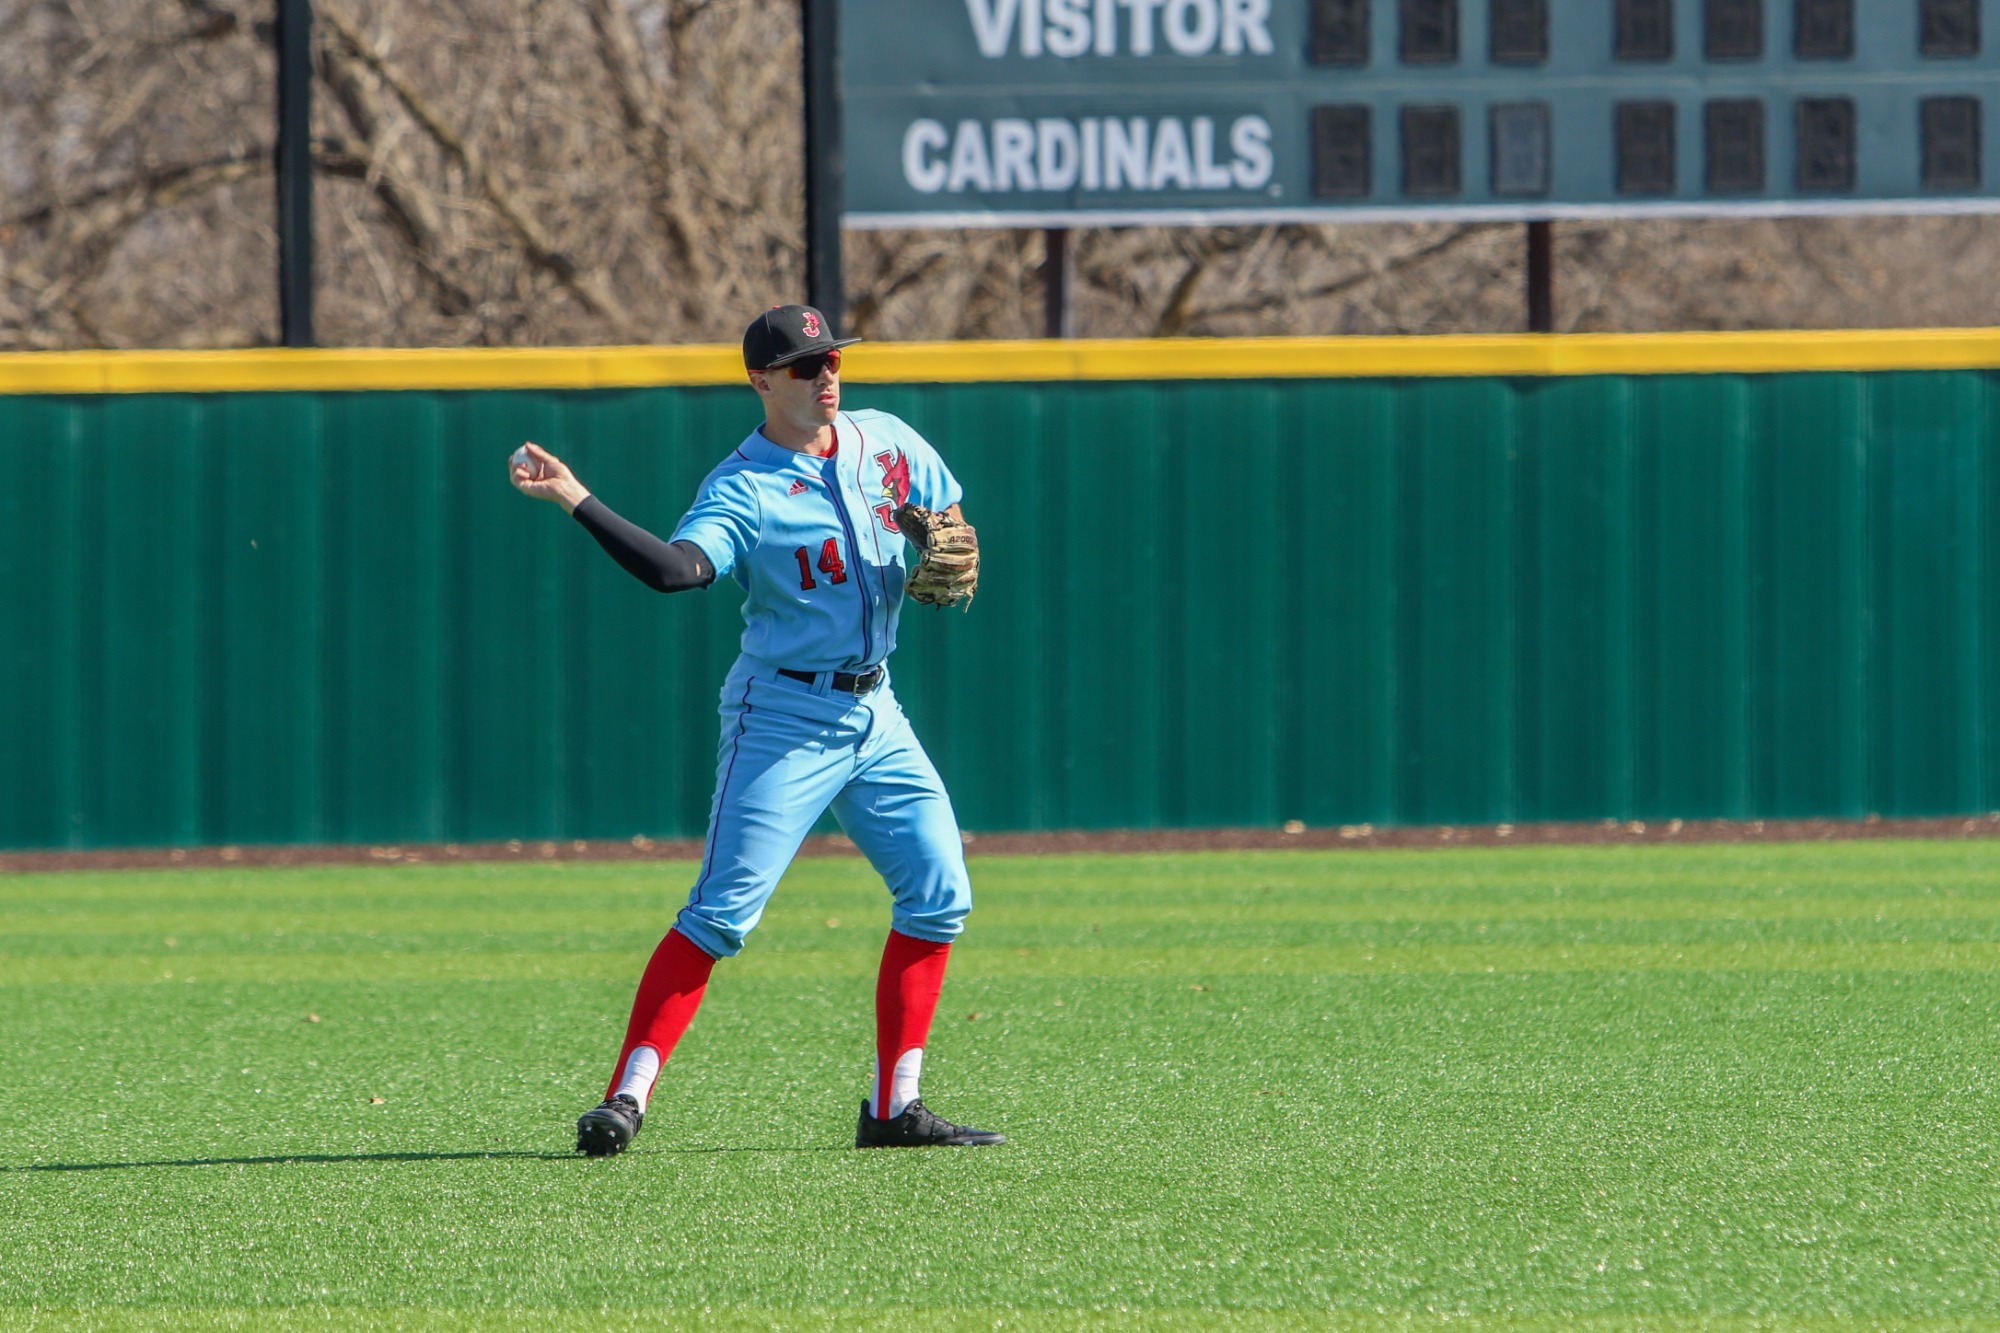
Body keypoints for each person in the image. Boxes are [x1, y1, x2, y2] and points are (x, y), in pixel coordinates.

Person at [509, 304, 1003, 1155]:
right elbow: (678, 572)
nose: (827, 377)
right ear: (761, 380)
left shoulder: (885, 439)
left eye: (833, 360)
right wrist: (575, 497)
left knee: (939, 892)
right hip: (784, 715)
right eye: (806, 365)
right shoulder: (743, 486)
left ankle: (894, 1107)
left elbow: (951, 519)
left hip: (876, 712)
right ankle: (625, 1098)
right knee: (720, 916)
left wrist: (952, 542)